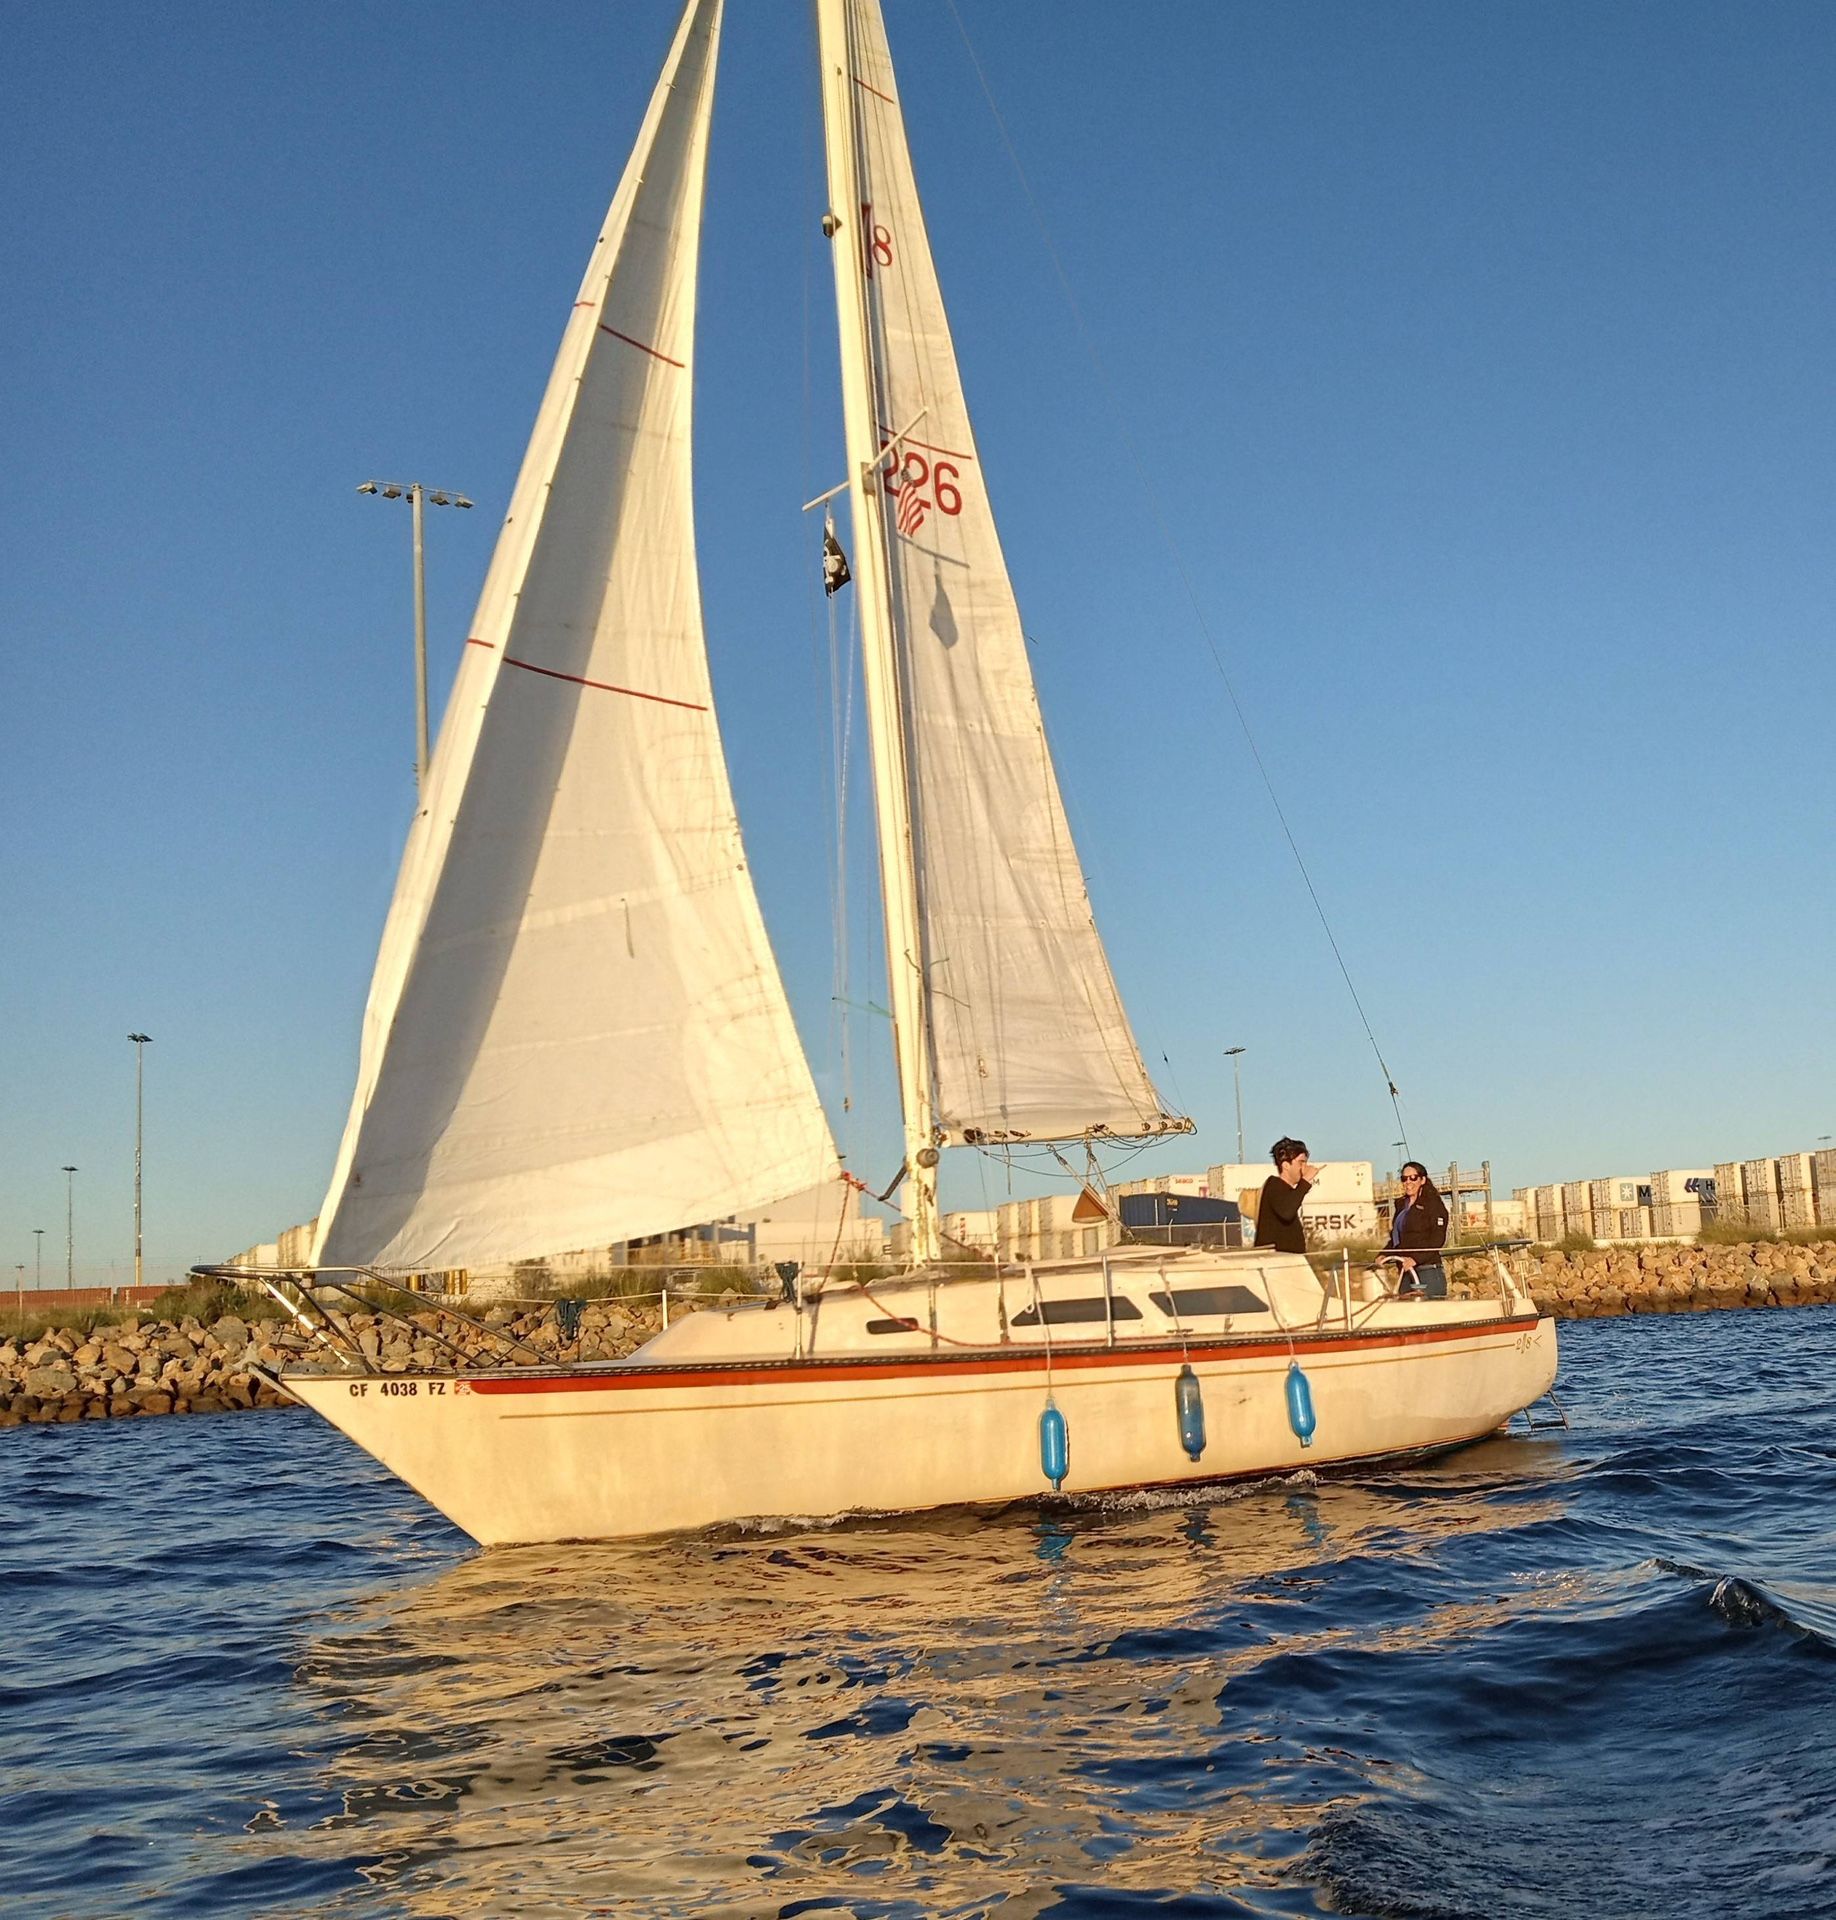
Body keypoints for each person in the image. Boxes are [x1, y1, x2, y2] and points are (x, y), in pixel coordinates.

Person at [1382, 1162, 1449, 1298]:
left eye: (1413, 1178)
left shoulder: (1433, 1205)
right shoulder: (1401, 1206)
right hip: (1405, 1273)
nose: (1408, 1182)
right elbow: (1397, 1239)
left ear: (1422, 1180)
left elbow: (1437, 1239)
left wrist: (1415, 1259)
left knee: (1428, 1313)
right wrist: (1382, 1255)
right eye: (1404, 1178)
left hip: (1427, 1272)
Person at [1256, 1138, 1319, 1254]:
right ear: (1286, 1165)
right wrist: (1304, 1182)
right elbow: (1286, 1212)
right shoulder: (1273, 1186)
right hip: (1276, 1264)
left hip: (1288, 1262)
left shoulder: (1288, 1192)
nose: (1305, 1167)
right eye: (1301, 1162)